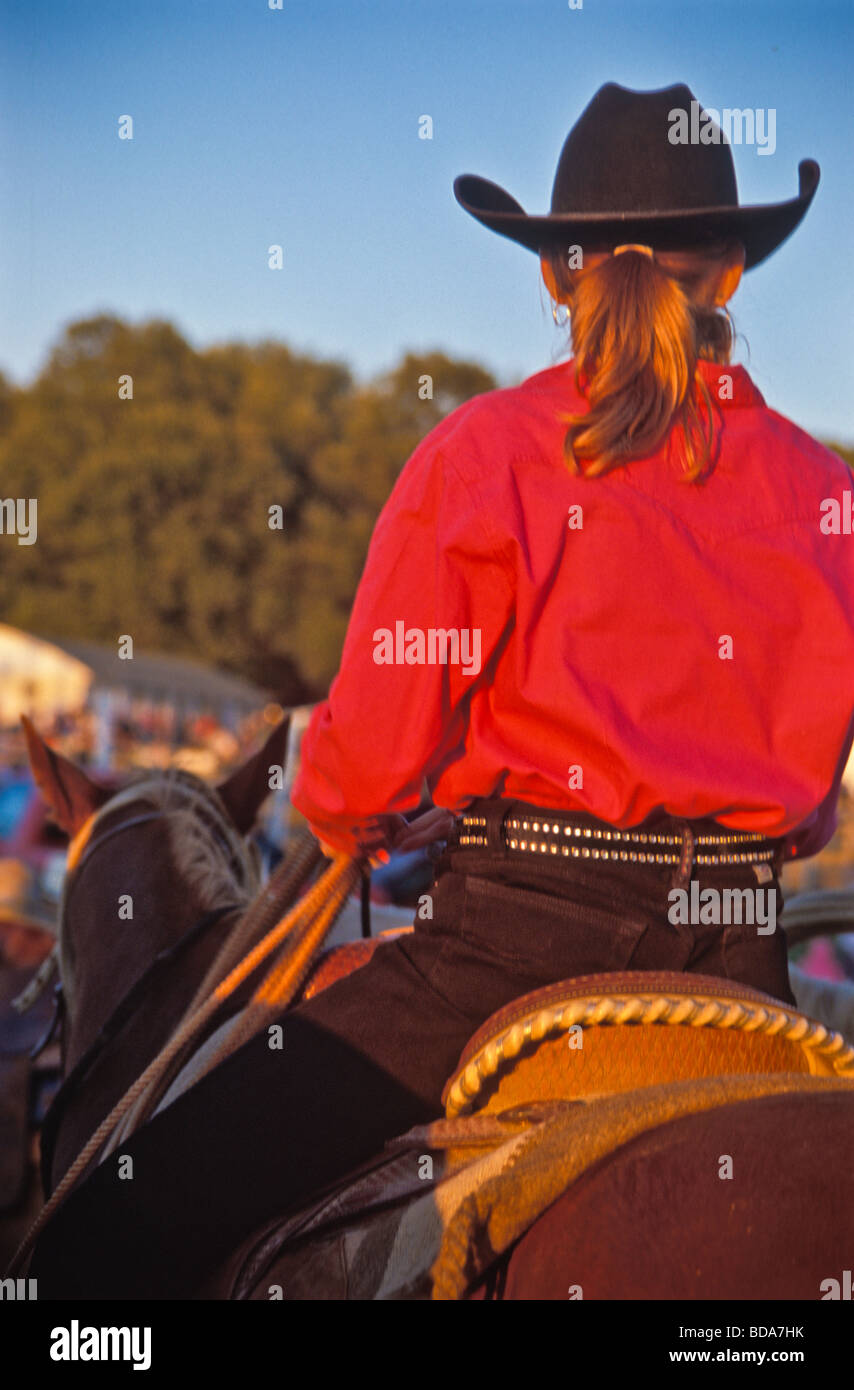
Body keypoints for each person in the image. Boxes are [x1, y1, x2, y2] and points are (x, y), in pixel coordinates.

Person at [29, 82, 854, 1299]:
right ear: (728, 271)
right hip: (741, 965)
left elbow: (357, 768)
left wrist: (360, 815)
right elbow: (813, 807)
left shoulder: (481, 452)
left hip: (508, 951)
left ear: (553, 278)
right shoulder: (822, 492)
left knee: (98, 1249)